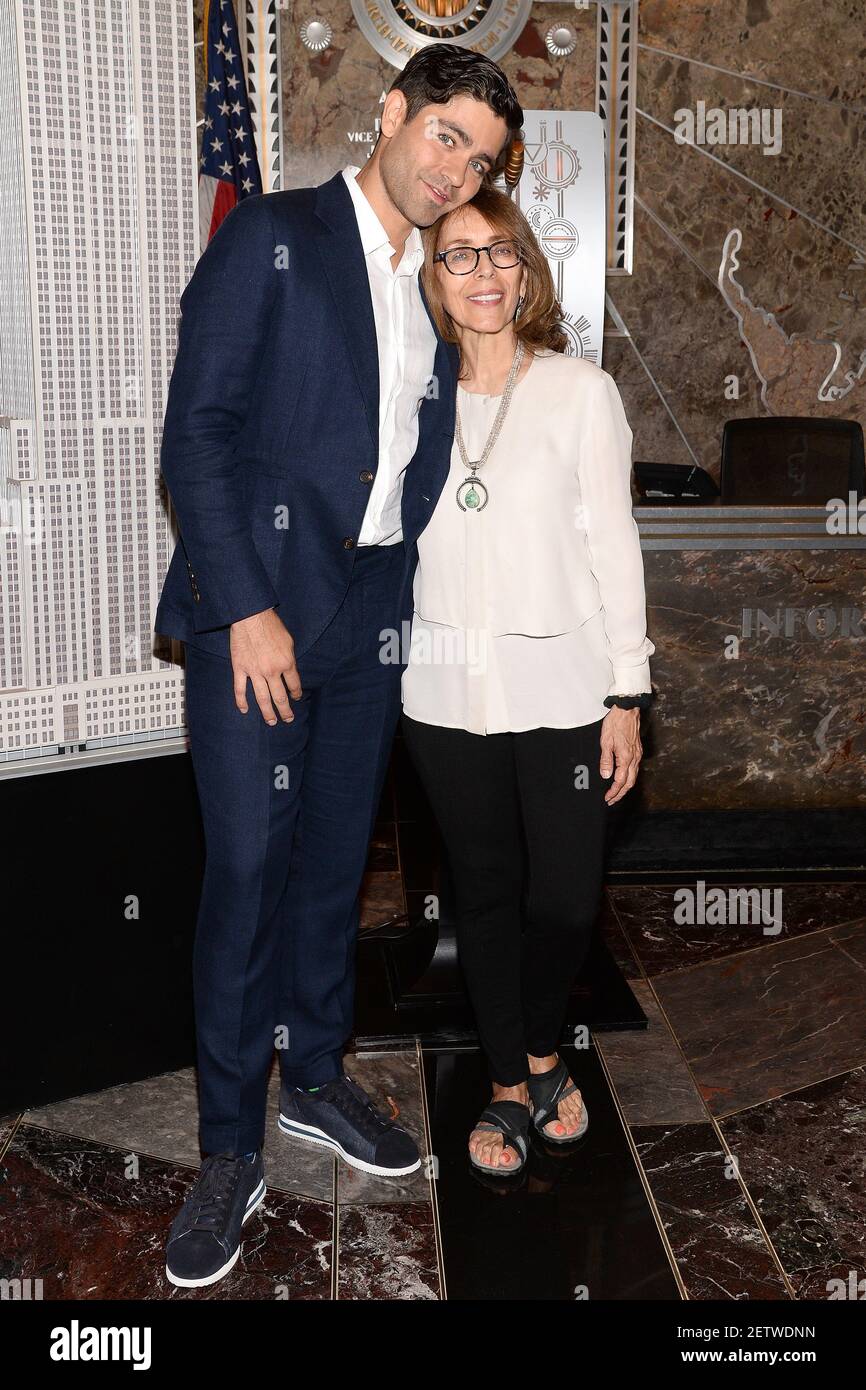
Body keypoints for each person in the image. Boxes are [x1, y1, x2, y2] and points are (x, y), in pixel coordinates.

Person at [154, 45, 523, 1287]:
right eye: (443, 138)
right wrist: (244, 608)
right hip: (260, 614)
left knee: (330, 868)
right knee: (246, 873)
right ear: (389, 114)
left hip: (368, 609)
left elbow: (418, 453)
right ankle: (223, 1147)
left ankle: (313, 1075)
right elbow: (194, 435)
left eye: (477, 160)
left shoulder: (432, 280)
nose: (453, 170)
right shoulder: (271, 235)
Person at [400, 185, 655, 1176]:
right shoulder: (408, 396)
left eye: (498, 252)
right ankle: (512, 1079)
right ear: (432, 275)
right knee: (486, 893)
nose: (481, 273)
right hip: (442, 690)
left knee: (562, 899)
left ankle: (545, 1042)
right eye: (458, 254)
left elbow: (614, 549)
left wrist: (626, 694)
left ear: (525, 269)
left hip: (565, 688)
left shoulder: (578, 392)